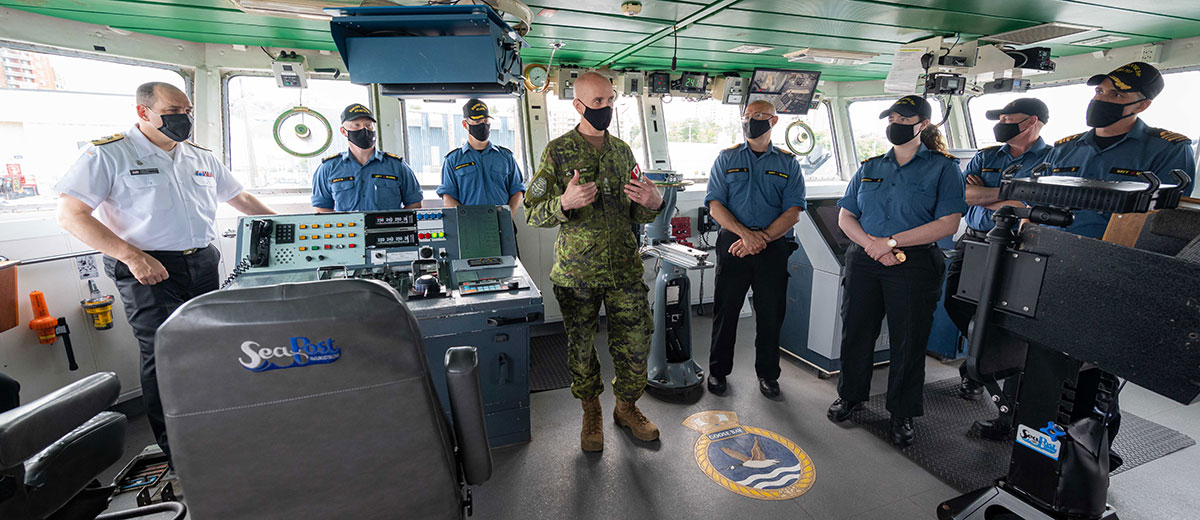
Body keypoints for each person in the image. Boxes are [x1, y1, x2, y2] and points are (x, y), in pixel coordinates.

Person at [55, 81, 276, 461]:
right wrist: (132, 256)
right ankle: (178, 451)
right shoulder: (108, 154)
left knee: (210, 348)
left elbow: (239, 197)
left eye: (187, 112)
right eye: (173, 112)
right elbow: (70, 215)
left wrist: (293, 227)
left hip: (202, 262)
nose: (183, 119)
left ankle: (217, 430)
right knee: (164, 353)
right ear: (144, 112)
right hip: (147, 267)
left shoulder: (200, 156)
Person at [525, 71, 664, 452]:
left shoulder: (623, 152)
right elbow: (532, 212)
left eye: (610, 101)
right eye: (598, 102)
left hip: (623, 270)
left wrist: (653, 205)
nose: (606, 109)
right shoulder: (557, 151)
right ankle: (591, 411)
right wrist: (563, 204)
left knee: (637, 343)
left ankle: (626, 407)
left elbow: (636, 213)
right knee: (581, 348)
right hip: (577, 274)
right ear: (578, 105)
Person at [826, 95, 966, 447]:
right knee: (857, 331)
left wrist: (889, 243)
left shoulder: (943, 168)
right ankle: (851, 396)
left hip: (914, 263)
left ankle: (902, 411)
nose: (895, 124)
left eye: (904, 120)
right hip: (865, 260)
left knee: (909, 339)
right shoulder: (870, 166)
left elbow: (948, 223)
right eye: (891, 118)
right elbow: (846, 214)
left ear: (923, 125)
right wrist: (873, 245)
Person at [947, 98, 1052, 440]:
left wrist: (987, 194)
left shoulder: (1053, 160)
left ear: (1032, 122)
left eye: (1010, 118)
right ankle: (979, 360)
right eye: (1000, 117)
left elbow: (1035, 207)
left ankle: (994, 375)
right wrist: (1008, 197)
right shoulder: (987, 156)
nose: (1002, 122)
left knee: (1011, 317)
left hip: (1021, 246)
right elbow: (963, 196)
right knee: (955, 300)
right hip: (976, 239)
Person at [704, 99, 806, 399]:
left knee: (770, 313)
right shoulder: (727, 158)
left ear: (773, 121)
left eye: (758, 116)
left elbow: (793, 212)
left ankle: (768, 375)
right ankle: (718, 371)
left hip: (772, 246)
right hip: (733, 243)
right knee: (727, 310)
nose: (750, 121)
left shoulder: (788, 163)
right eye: (747, 116)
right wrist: (746, 236)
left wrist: (759, 239)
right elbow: (715, 205)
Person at [1042, 61, 1195, 238]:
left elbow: (1164, 219)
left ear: (1141, 105)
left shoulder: (1169, 149)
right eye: (1099, 91)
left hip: (1113, 251)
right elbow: (1034, 202)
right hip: (1047, 242)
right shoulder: (1065, 148)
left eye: (1116, 95)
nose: (1100, 99)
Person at [312, 103, 423, 212]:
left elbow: (414, 203)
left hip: (388, 230)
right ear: (343, 131)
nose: (364, 129)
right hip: (348, 230)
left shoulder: (397, 165)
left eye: (368, 125)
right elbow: (322, 207)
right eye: (356, 125)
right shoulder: (328, 168)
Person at [437, 99, 525, 213]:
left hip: (502, 223)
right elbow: (448, 197)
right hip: (469, 224)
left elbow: (517, 191)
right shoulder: (453, 160)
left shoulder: (505, 157)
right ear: (465, 124)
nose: (483, 125)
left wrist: (507, 216)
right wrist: (467, 220)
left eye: (486, 120)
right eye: (477, 121)